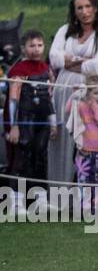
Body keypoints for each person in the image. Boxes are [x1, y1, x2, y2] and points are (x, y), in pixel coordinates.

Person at [48, 0, 98, 186]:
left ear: (95, 8)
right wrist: (83, 61)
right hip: (64, 90)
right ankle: (60, 189)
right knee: (62, 140)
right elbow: (54, 58)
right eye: (80, 8)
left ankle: (85, 191)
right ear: (74, 11)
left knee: (85, 139)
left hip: (90, 92)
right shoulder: (64, 31)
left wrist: (70, 61)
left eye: (88, 6)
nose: (84, 11)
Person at [5, 30, 56, 193]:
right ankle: (16, 197)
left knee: (40, 157)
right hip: (24, 119)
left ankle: (39, 196)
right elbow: (13, 100)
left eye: (40, 45)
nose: (36, 49)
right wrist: (13, 126)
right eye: (32, 45)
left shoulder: (46, 68)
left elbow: (49, 97)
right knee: (23, 157)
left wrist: (53, 123)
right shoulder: (19, 70)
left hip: (42, 120)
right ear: (23, 48)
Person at [70, 75, 98, 213]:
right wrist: (75, 94)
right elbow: (67, 109)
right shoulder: (82, 107)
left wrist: (95, 109)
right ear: (88, 93)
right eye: (96, 93)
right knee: (84, 180)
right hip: (85, 151)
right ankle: (85, 206)